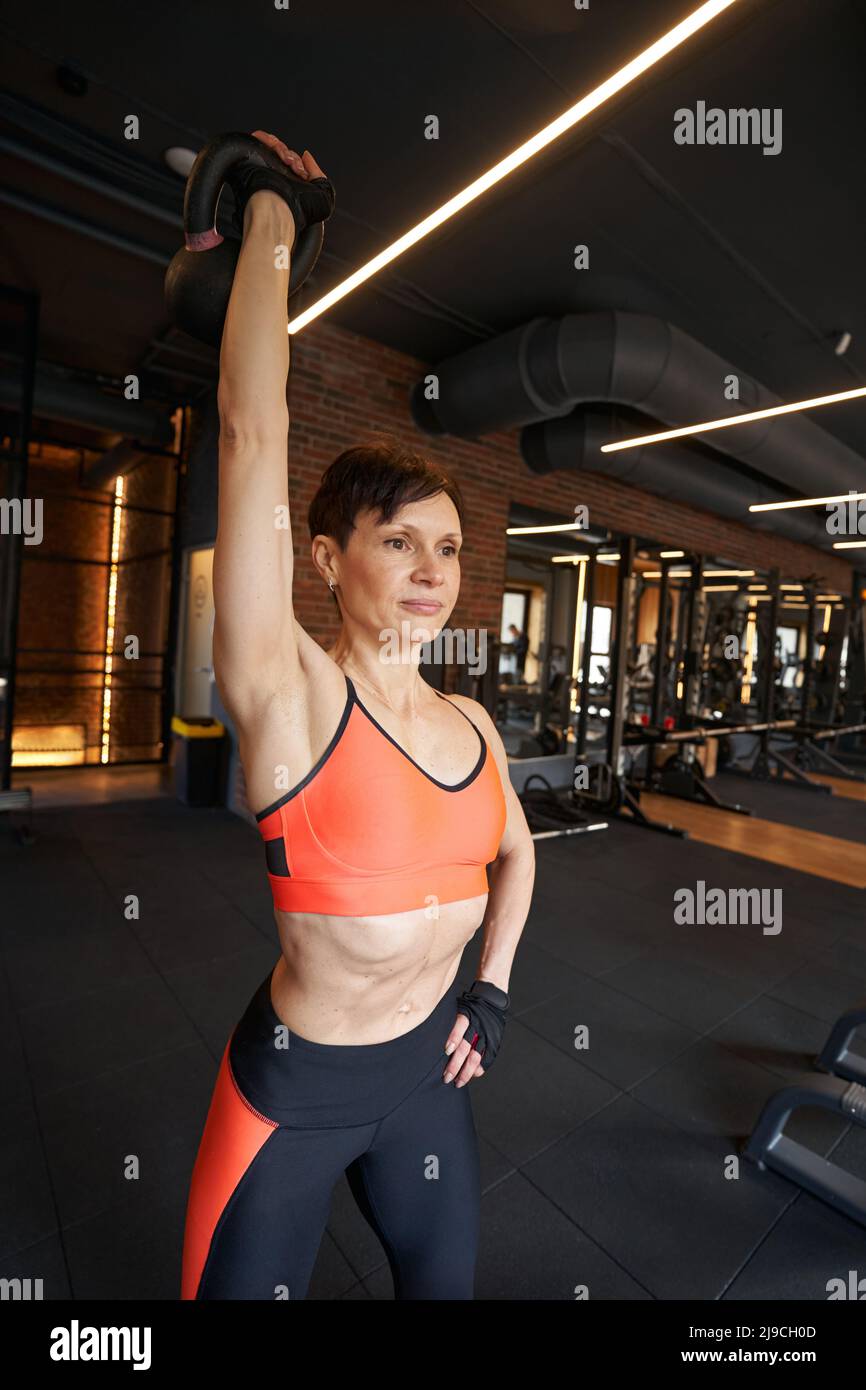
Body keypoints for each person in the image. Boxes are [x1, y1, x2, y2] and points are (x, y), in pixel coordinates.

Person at [180, 131, 536, 1301]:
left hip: (425, 1086)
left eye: (447, 546)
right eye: (399, 541)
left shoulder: (475, 724)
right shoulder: (293, 698)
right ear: (327, 558)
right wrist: (277, 215)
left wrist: (489, 989)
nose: (434, 569)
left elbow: (517, 854)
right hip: (294, 1094)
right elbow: (248, 427)